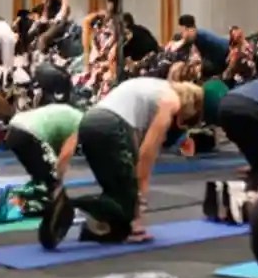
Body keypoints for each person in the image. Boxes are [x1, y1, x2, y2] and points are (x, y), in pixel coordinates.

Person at [40, 78, 203, 247]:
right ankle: (70, 205)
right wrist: (138, 206)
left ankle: (97, 228)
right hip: (111, 126)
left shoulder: (152, 87)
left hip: (89, 122)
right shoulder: (171, 102)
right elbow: (146, 156)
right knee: (126, 207)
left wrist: (59, 171)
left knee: (116, 192)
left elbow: (133, 142)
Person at [3, 103, 83, 215]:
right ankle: (23, 199)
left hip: (15, 130)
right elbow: (65, 154)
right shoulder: (80, 124)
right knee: (51, 179)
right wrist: (58, 177)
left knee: (41, 177)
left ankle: (22, 201)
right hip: (30, 132)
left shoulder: (72, 116)